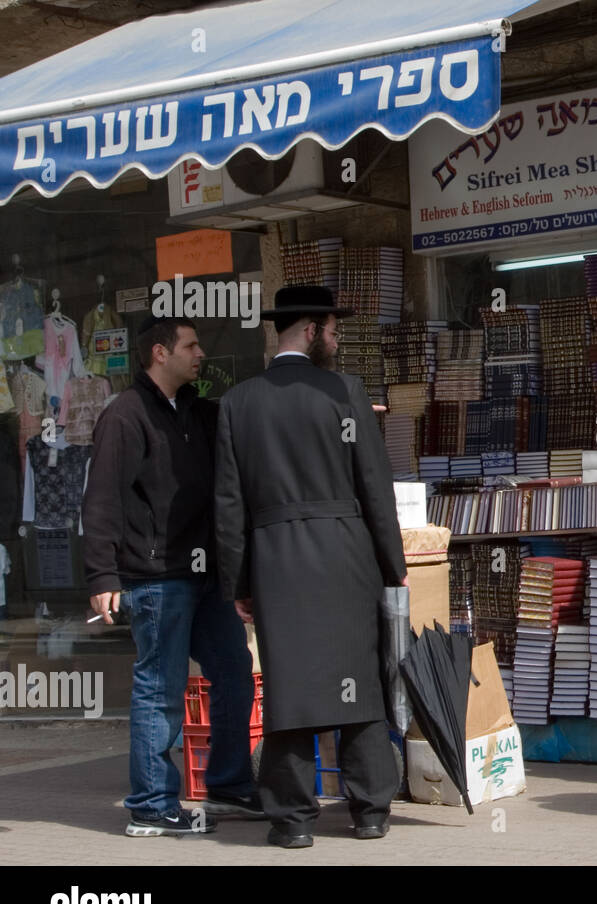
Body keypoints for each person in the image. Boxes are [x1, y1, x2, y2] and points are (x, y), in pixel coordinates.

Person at [213, 285, 407, 850]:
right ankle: (370, 811)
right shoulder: (345, 392)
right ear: (313, 329)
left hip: (276, 563)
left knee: (290, 692)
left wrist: (238, 583)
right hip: (346, 556)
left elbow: (229, 505)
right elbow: (376, 488)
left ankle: (293, 821)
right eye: (335, 330)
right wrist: (393, 565)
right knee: (360, 687)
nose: (338, 339)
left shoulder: (238, 402)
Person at [83, 315, 261, 837]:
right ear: (160, 353)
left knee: (234, 670)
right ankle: (151, 805)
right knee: (159, 689)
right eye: (190, 345)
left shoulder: (201, 412)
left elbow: (253, 423)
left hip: (206, 576)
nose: (199, 352)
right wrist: (101, 576)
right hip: (156, 577)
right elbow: (102, 501)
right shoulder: (124, 416)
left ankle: (228, 785)